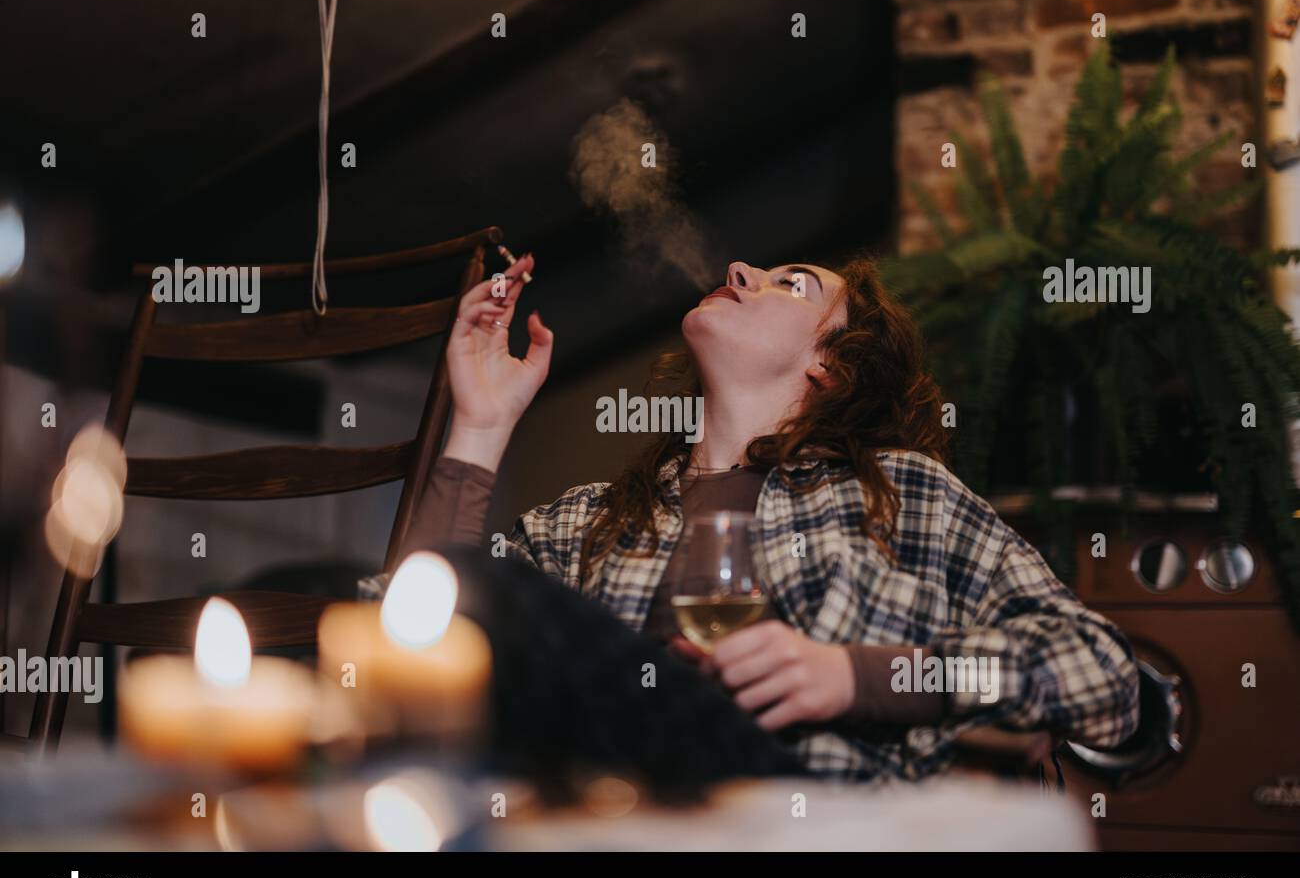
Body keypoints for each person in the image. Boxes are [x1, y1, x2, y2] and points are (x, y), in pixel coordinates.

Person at [398, 251, 1140, 783]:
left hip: (799, 805)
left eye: (793, 284)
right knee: (387, 588)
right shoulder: (583, 523)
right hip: (621, 814)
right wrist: (481, 425)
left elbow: (1102, 671)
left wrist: (851, 677)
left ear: (832, 365)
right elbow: (403, 648)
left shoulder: (903, 497)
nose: (739, 273)